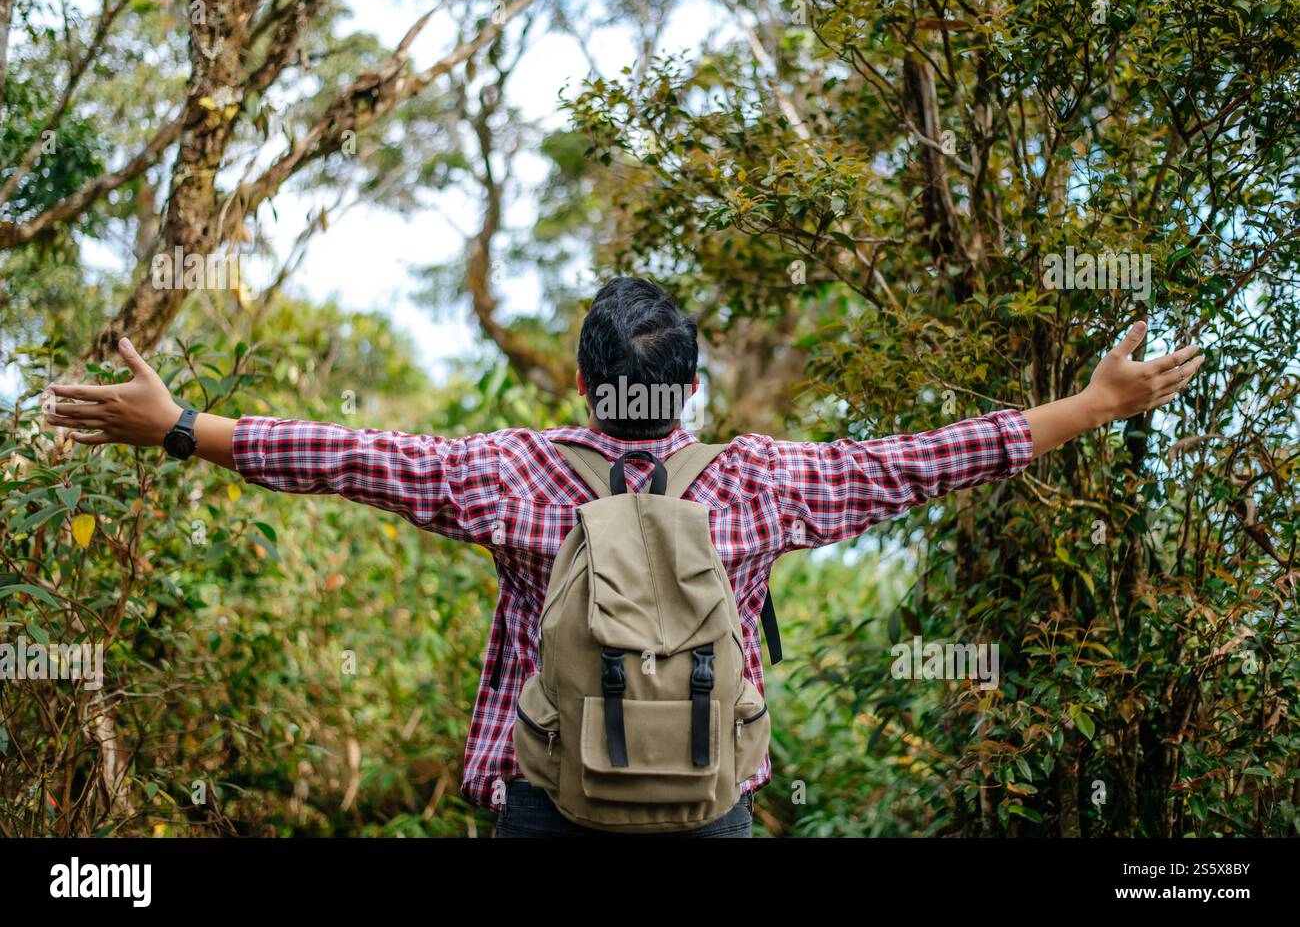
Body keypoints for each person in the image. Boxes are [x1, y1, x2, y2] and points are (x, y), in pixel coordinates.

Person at [44, 276, 1205, 837]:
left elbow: (344, 453)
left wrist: (183, 428)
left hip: (548, 806)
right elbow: (926, 459)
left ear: (587, 381)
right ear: (688, 386)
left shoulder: (506, 475)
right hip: (709, 810)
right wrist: (1093, 405)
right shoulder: (761, 481)